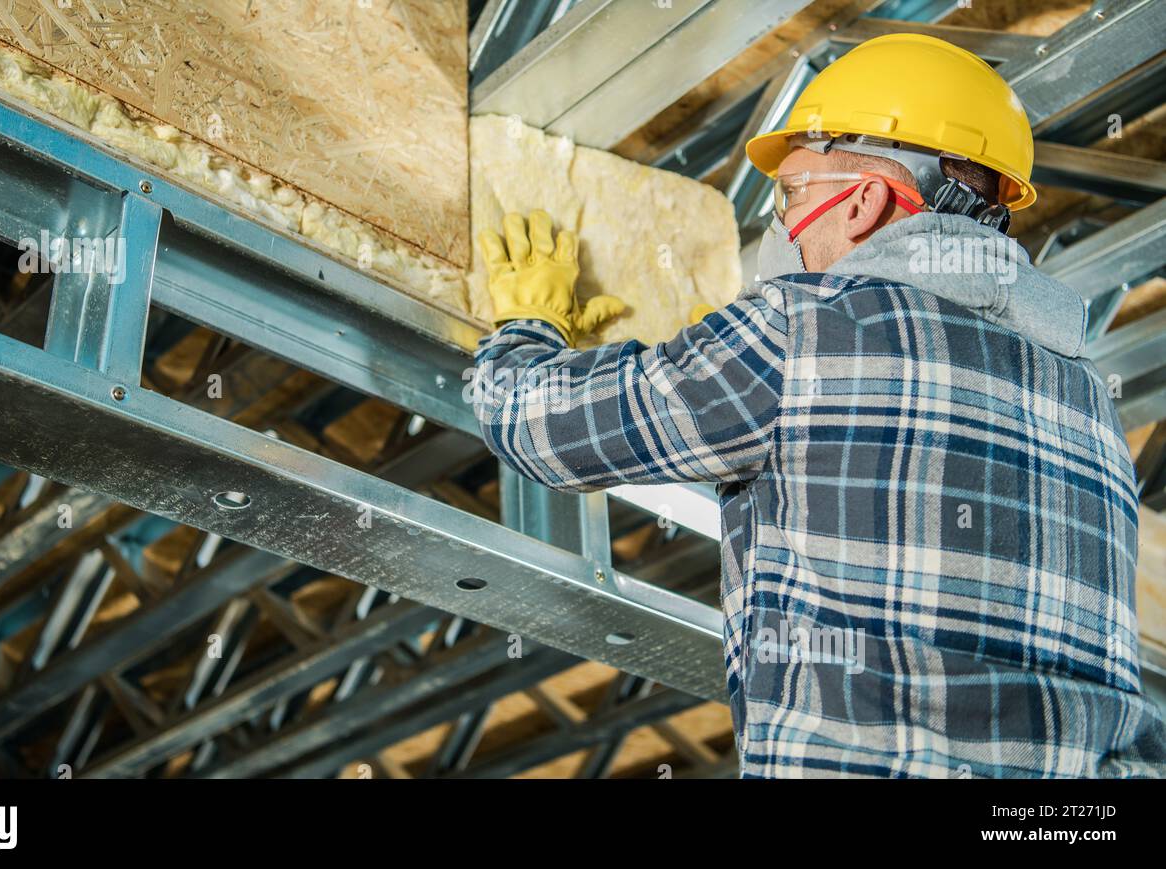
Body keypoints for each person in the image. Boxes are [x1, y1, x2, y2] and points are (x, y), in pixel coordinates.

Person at [470, 33, 1166, 777]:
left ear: (864, 202)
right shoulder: (1090, 404)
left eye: (792, 195)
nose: (783, 226)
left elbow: (538, 425)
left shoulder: (811, 327)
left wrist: (528, 323)